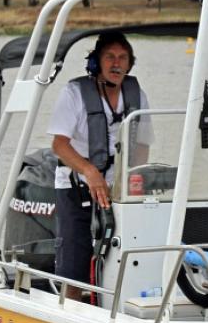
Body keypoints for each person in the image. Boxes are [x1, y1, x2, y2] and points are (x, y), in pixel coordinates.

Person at [48, 31, 153, 299]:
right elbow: (59, 145)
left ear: (130, 64)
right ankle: (71, 310)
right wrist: (89, 172)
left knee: (129, 252)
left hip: (119, 190)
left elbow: (142, 147)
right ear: (96, 63)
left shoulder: (137, 95)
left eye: (122, 58)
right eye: (110, 57)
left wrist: (131, 179)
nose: (116, 63)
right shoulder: (73, 93)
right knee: (75, 262)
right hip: (77, 187)